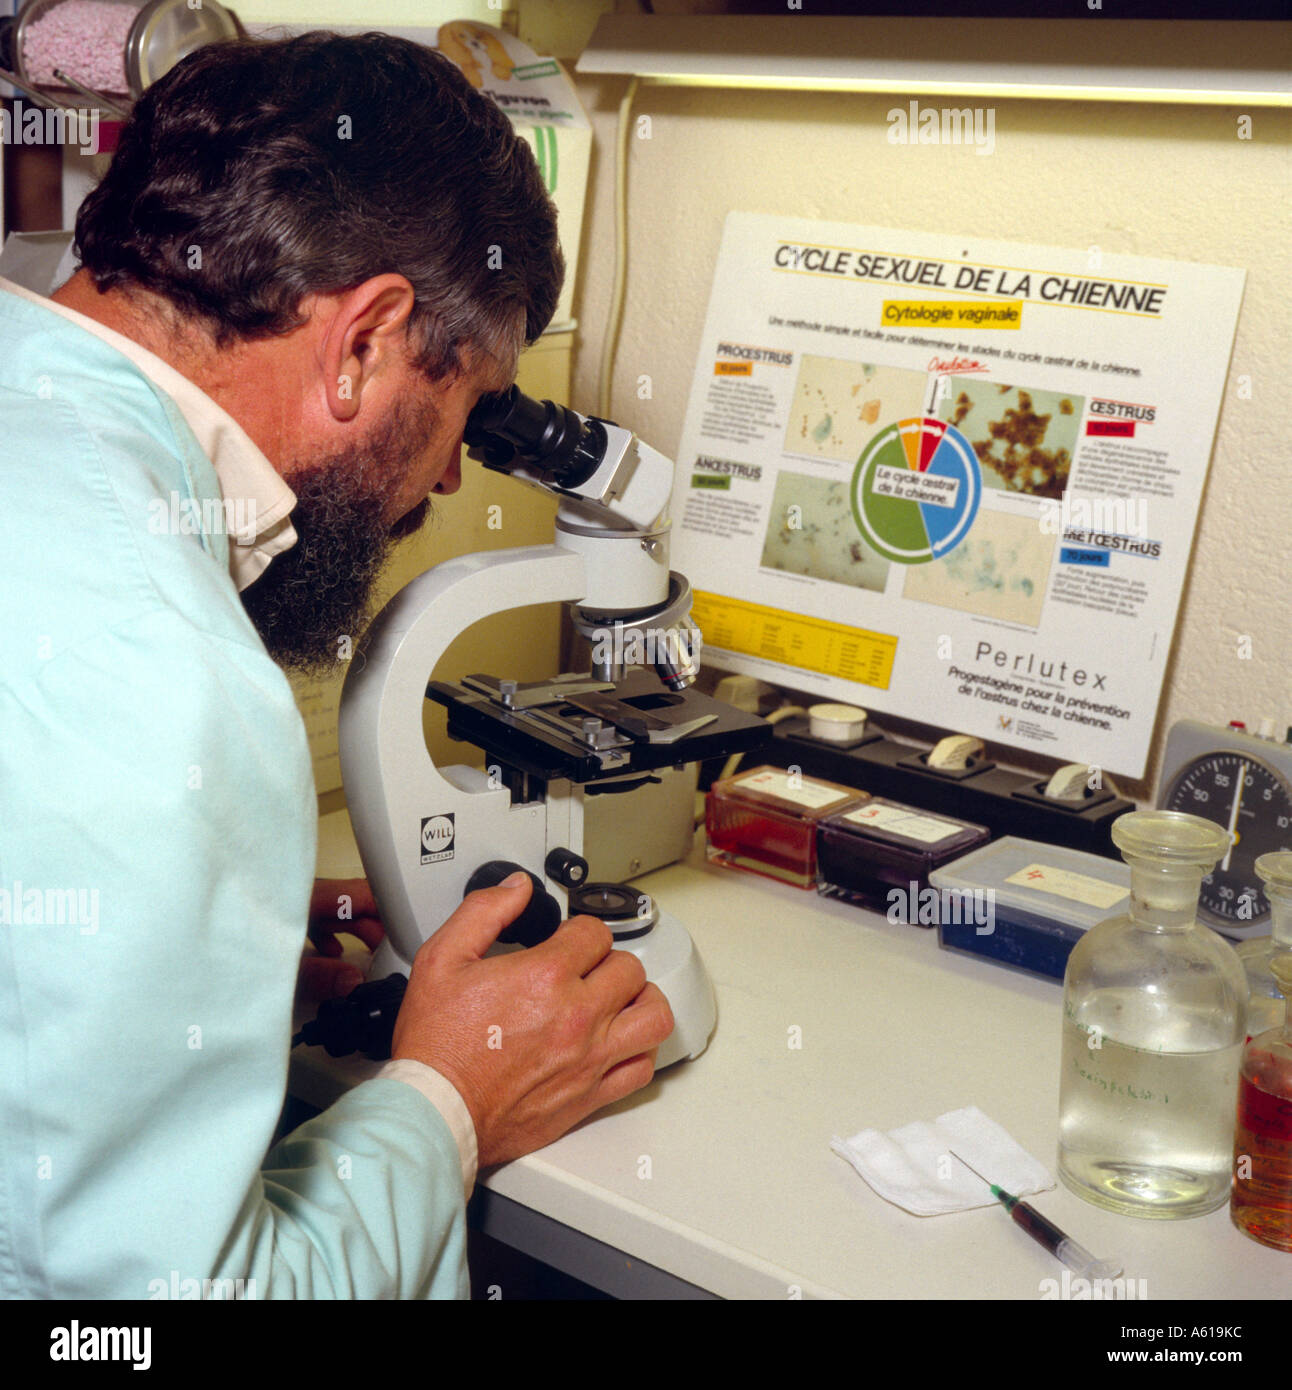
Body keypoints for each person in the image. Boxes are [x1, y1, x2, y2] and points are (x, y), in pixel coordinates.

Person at [0, 31, 673, 1300]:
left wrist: (186, 936)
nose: (450, 476)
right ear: (363, 341)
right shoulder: (159, 672)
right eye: (466, 410)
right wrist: (449, 1101)